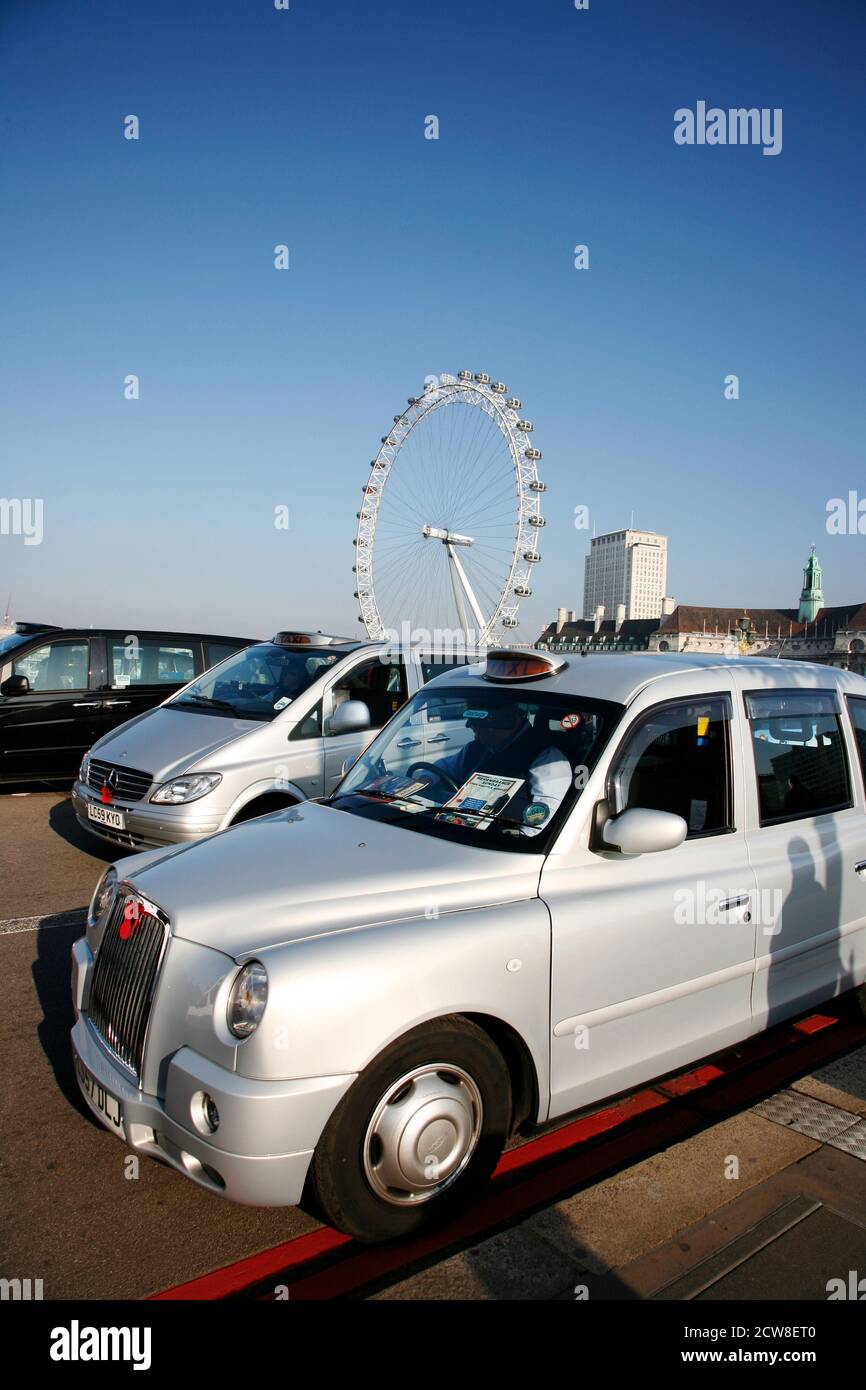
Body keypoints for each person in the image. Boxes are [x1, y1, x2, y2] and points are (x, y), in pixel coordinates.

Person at [418, 703, 573, 835]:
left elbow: (539, 824)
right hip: (458, 829)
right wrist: (426, 779)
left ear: (501, 721)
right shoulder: (475, 749)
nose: (468, 725)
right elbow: (445, 768)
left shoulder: (546, 759)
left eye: (475, 718)